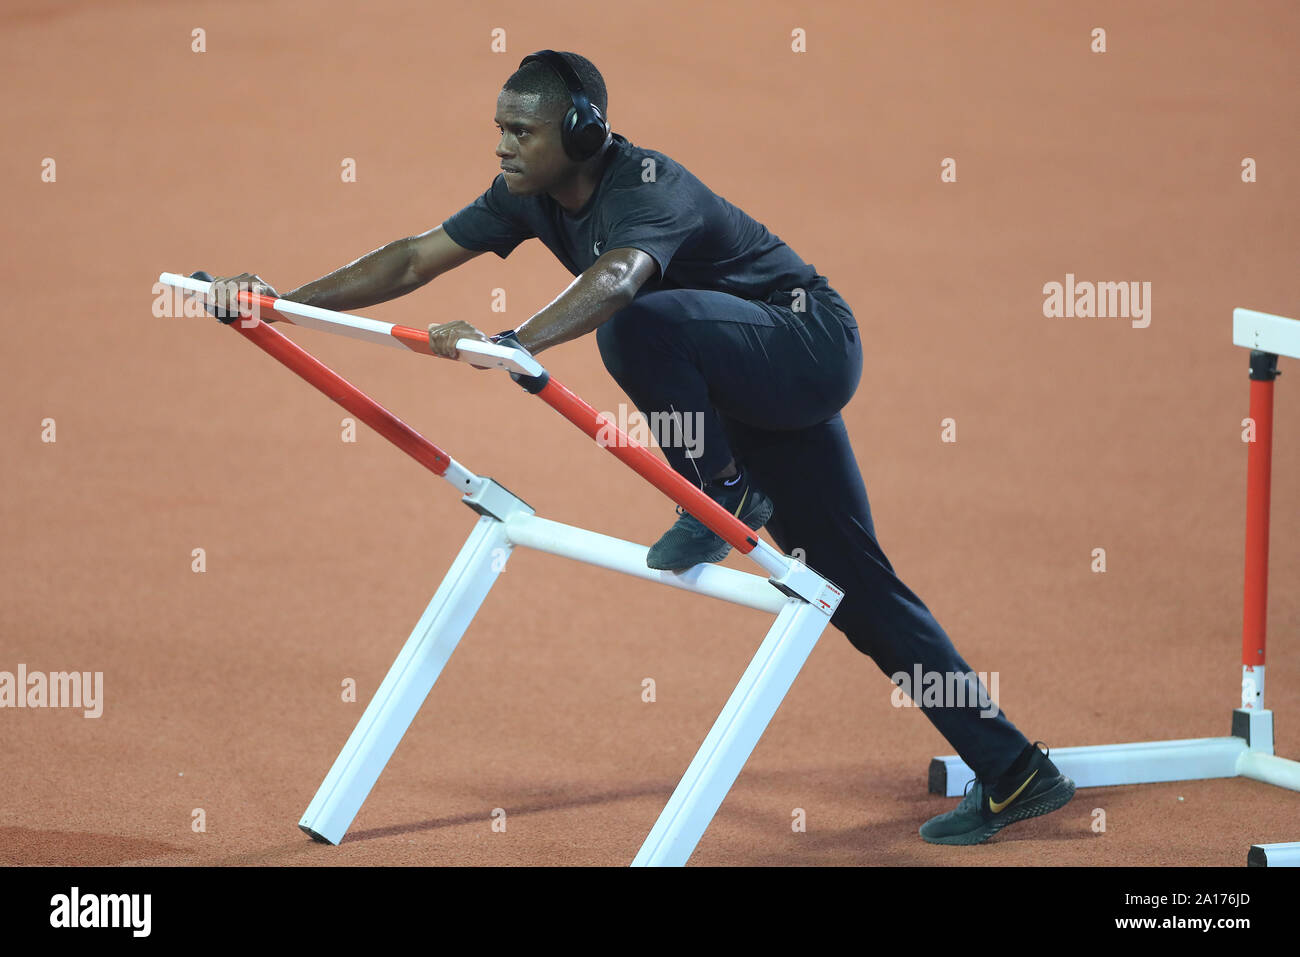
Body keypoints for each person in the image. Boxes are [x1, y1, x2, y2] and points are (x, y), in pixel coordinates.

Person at [208, 50, 1074, 846]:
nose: (504, 144)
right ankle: (1014, 769)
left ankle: (718, 490)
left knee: (637, 322)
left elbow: (621, 277)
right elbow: (409, 262)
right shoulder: (522, 194)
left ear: (580, 130)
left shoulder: (647, 187)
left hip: (805, 346)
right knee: (850, 586)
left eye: (523, 130)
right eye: (499, 127)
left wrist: (522, 341)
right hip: (737, 383)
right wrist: (278, 302)